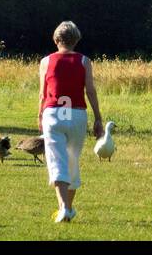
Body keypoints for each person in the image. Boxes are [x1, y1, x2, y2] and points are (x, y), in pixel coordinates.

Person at [38, 20, 104, 223]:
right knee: (72, 159)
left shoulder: (46, 61)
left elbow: (42, 93)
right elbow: (90, 90)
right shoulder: (84, 61)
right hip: (76, 114)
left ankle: (64, 208)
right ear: (76, 40)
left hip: (54, 113)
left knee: (56, 159)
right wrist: (98, 118)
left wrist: (39, 115)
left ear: (56, 39)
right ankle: (66, 208)